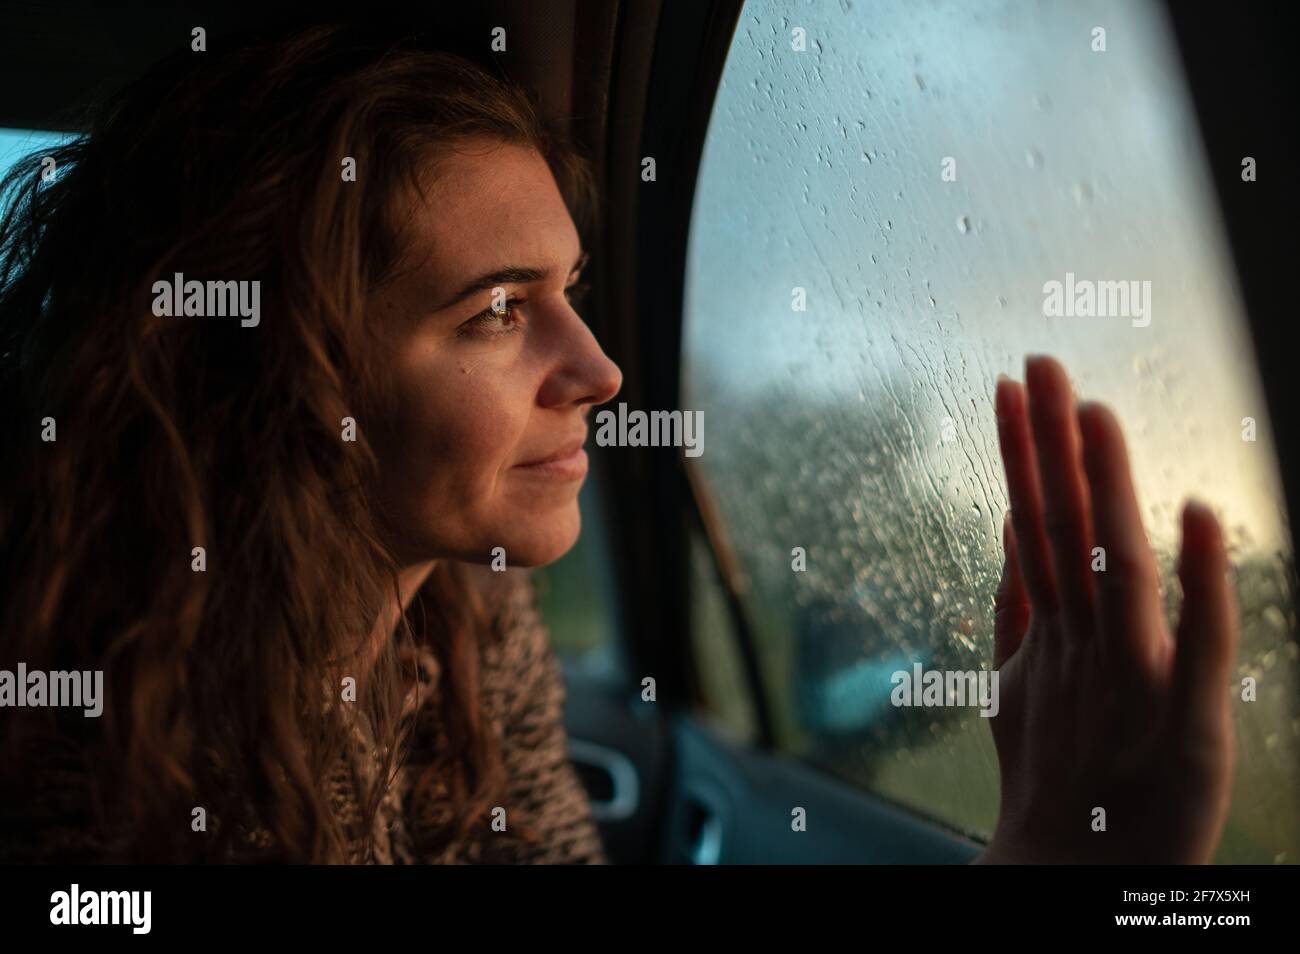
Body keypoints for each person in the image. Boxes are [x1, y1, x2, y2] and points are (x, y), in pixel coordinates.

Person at [0, 24, 1236, 864]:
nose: (598, 371)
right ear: (274, 370)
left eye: (571, 290)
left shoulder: (463, 613)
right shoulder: (106, 786)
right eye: (494, 310)